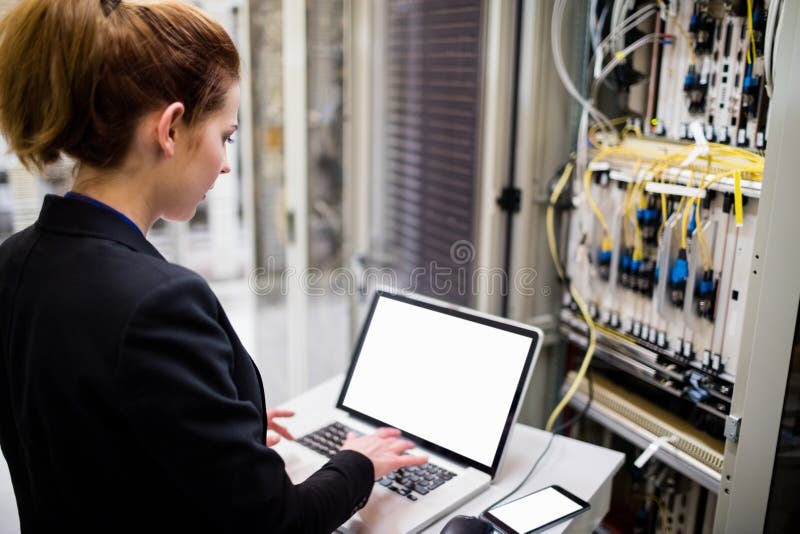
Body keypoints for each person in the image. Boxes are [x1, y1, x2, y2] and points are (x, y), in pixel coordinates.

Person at [0, 1, 426, 532]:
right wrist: (359, 463)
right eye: (225, 136)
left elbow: (85, 438)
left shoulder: (13, 264)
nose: (227, 162)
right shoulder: (158, 303)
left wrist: (213, 432)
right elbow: (275, 521)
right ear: (171, 129)